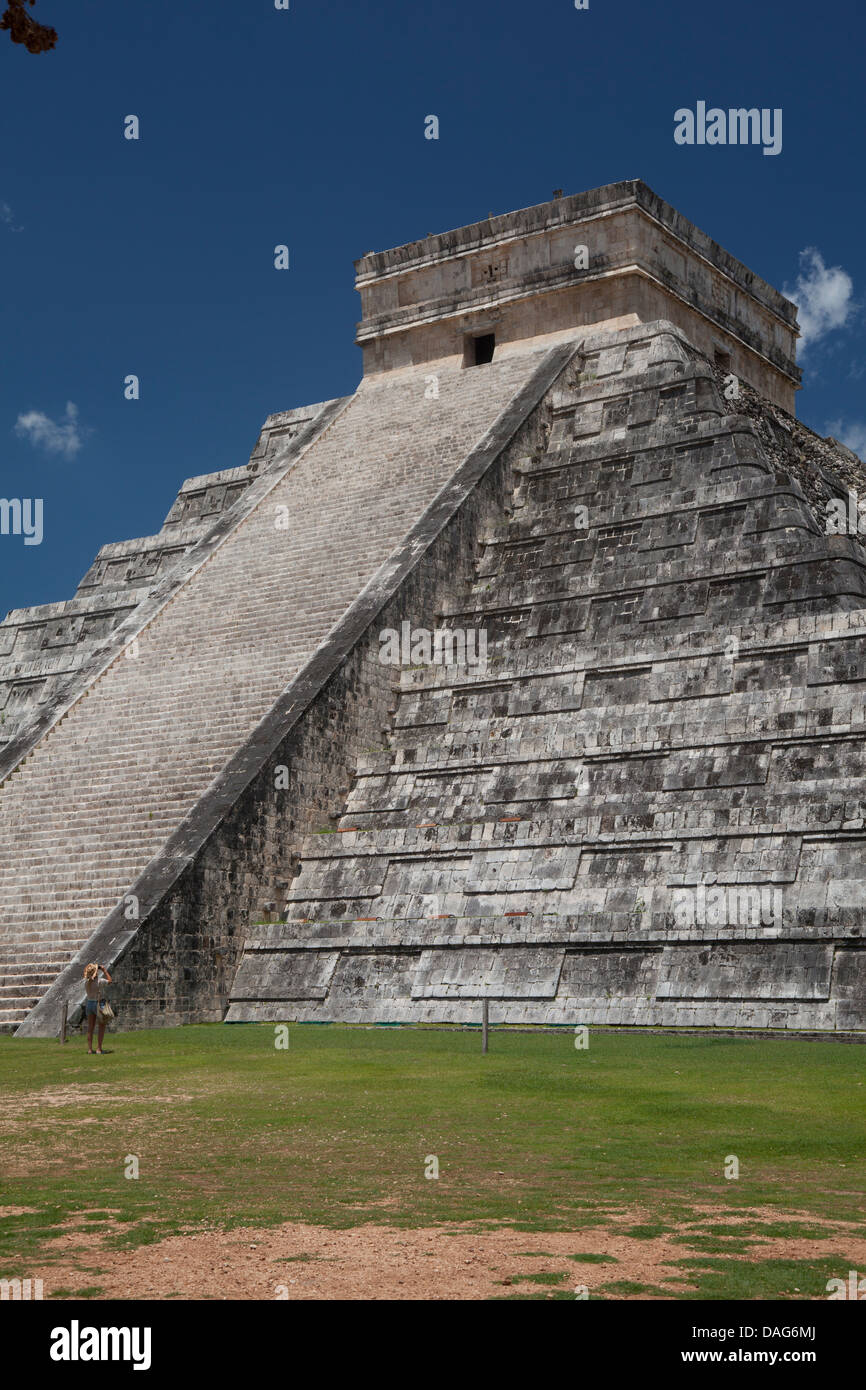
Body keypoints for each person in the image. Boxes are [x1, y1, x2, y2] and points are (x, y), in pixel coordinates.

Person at [83, 962, 112, 1054]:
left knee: (90, 1028)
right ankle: (99, 1048)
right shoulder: (99, 981)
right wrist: (104, 970)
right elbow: (110, 980)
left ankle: (90, 1049)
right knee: (101, 1026)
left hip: (89, 1003)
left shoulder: (86, 982)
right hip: (97, 1003)